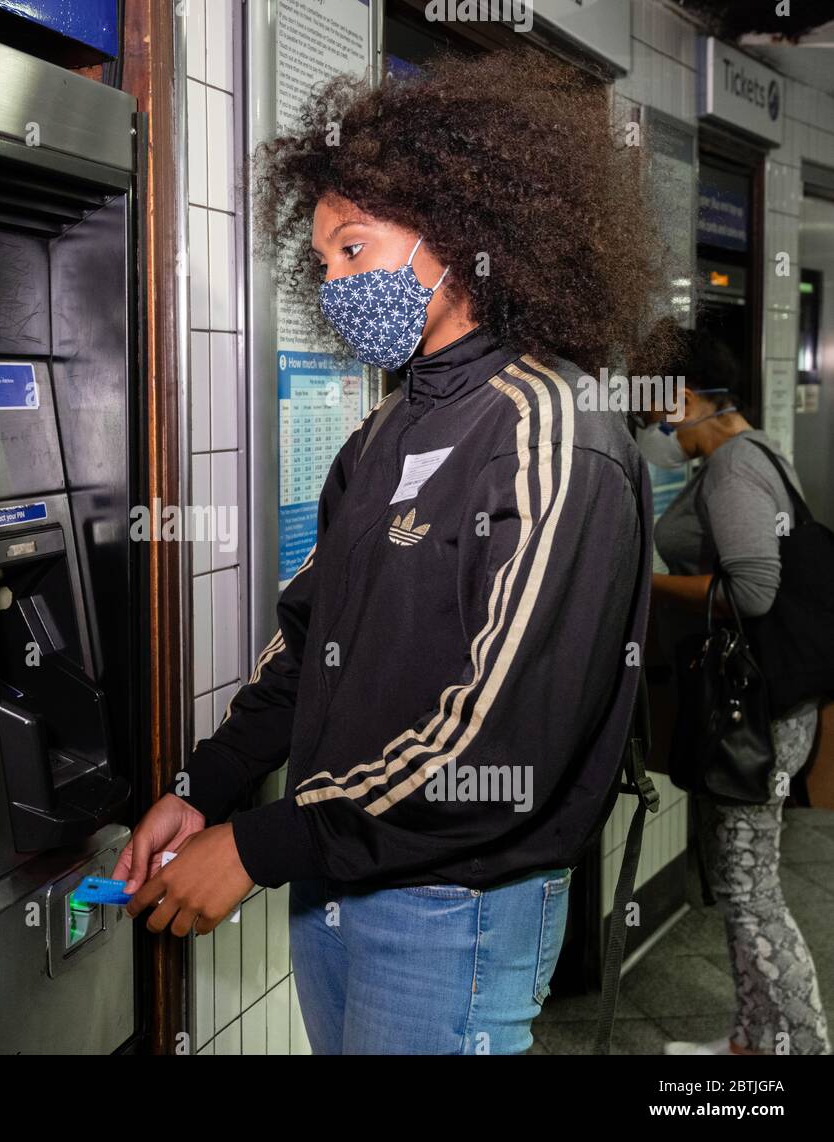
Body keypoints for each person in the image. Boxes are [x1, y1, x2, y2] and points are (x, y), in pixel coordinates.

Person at [113, 51, 665, 1054]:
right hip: (339, 874)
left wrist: (261, 843)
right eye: (321, 262)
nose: (334, 284)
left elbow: (499, 741)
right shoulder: (386, 430)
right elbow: (308, 641)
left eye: (354, 251)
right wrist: (203, 789)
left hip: (454, 904)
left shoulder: (554, 434)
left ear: (458, 239)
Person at [640, 330, 831, 1057]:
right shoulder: (757, 452)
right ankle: (753, 1044)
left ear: (683, 399)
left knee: (752, 890)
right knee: (737, 875)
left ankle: (805, 1046)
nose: (651, 425)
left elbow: (752, 591)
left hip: (760, 710)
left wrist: (644, 587)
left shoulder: (730, 471)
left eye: (654, 405)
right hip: (767, 704)